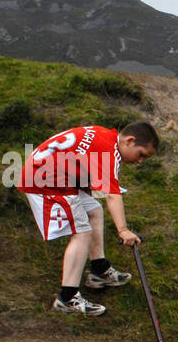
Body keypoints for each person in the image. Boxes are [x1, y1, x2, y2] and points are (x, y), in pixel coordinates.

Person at [16, 122, 159, 316]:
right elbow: (112, 195)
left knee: (94, 210)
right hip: (46, 181)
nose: (140, 161)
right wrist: (123, 230)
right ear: (129, 141)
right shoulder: (108, 152)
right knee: (82, 232)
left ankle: (99, 271)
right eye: (141, 154)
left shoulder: (104, 135)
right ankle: (67, 299)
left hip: (47, 173)